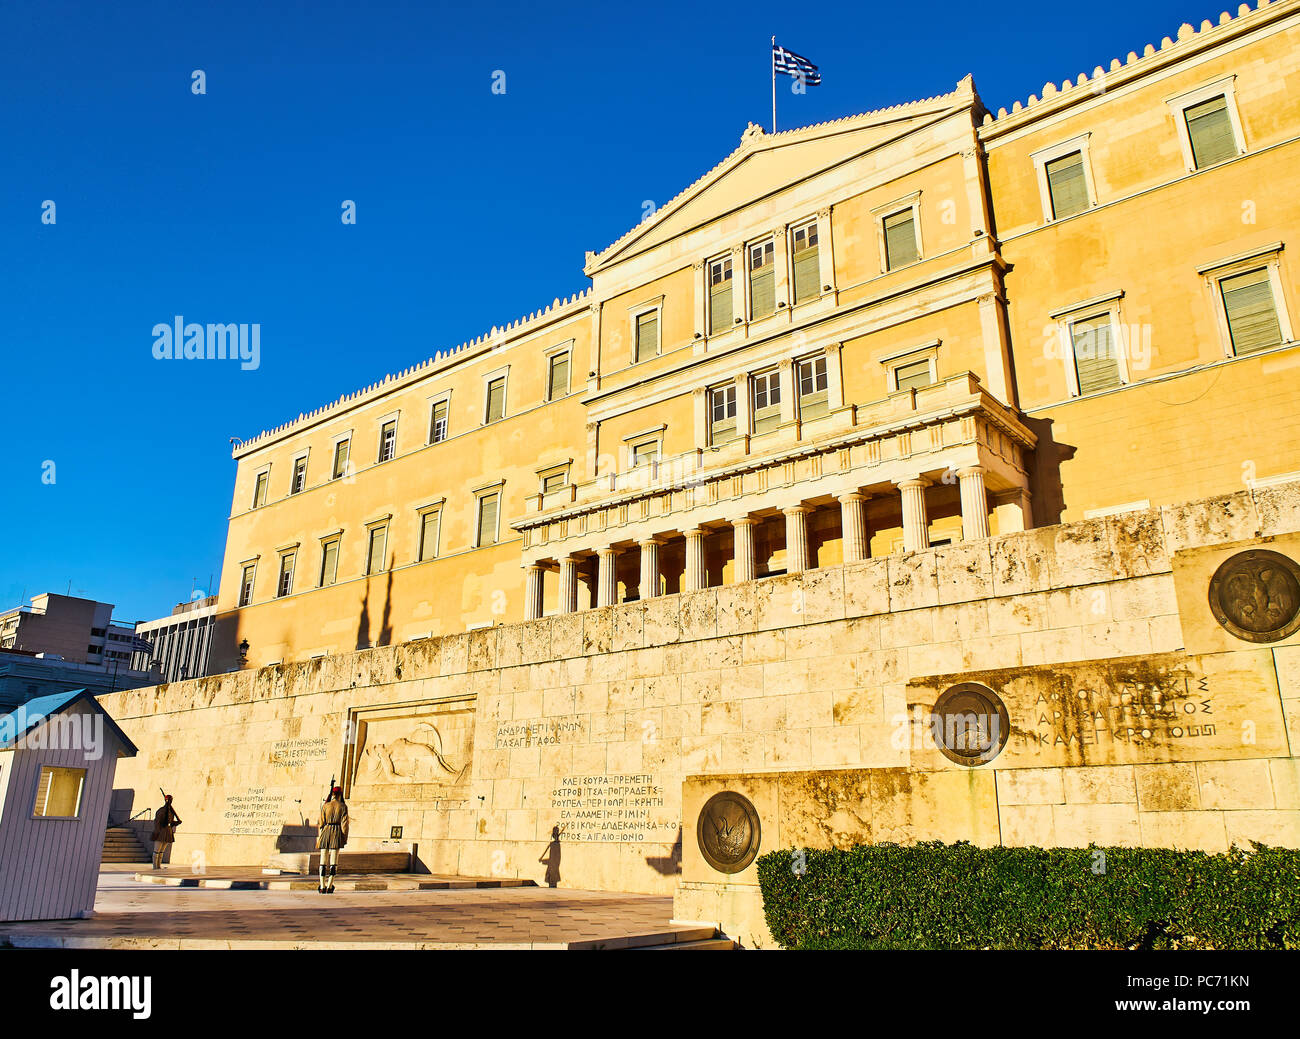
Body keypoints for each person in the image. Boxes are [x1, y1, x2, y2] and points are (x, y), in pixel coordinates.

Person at [316, 786, 349, 894]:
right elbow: (344, 824)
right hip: (336, 832)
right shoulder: (343, 806)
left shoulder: (326, 805)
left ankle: (322, 885)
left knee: (322, 860)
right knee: (333, 862)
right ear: (340, 795)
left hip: (326, 831)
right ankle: (330, 885)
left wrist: (323, 829)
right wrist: (344, 837)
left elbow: (321, 822)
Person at [150, 795, 182, 870]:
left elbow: (170, 822)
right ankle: (155, 866)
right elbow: (157, 822)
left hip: (167, 832)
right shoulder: (161, 810)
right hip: (161, 831)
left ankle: (158, 866)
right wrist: (157, 833)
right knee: (157, 851)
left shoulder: (171, 811)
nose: (170, 801)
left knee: (161, 851)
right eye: (169, 800)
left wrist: (177, 822)